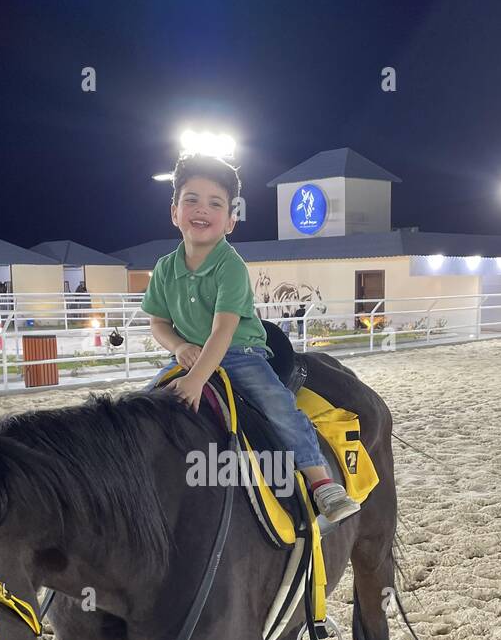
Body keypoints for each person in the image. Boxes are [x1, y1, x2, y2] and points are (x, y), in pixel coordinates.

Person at [142, 153, 360, 523]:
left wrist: (195, 381)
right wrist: (179, 347)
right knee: (141, 407)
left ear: (230, 220)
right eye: (191, 199)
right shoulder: (165, 268)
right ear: (174, 211)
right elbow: (158, 323)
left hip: (240, 352)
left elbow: (223, 330)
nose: (201, 210)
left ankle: (320, 482)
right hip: (190, 353)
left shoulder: (230, 266)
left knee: (276, 404)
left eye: (215, 203)